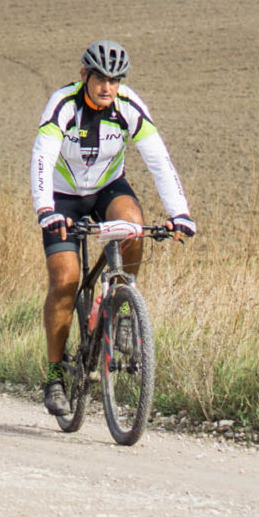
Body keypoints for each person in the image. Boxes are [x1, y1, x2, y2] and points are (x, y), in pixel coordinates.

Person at [30, 39, 197, 415]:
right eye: (101, 78)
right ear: (84, 76)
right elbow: (42, 156)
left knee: (134, 224)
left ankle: (123, 304)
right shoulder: (63, 105)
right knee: (65, 281)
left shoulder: (128, 107)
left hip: (107, 188)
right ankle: (55, 375)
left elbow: (159, 160)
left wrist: (180, 212)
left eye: (115, 80)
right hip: (63, 197)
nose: (108, 87)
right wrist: (45, 209)